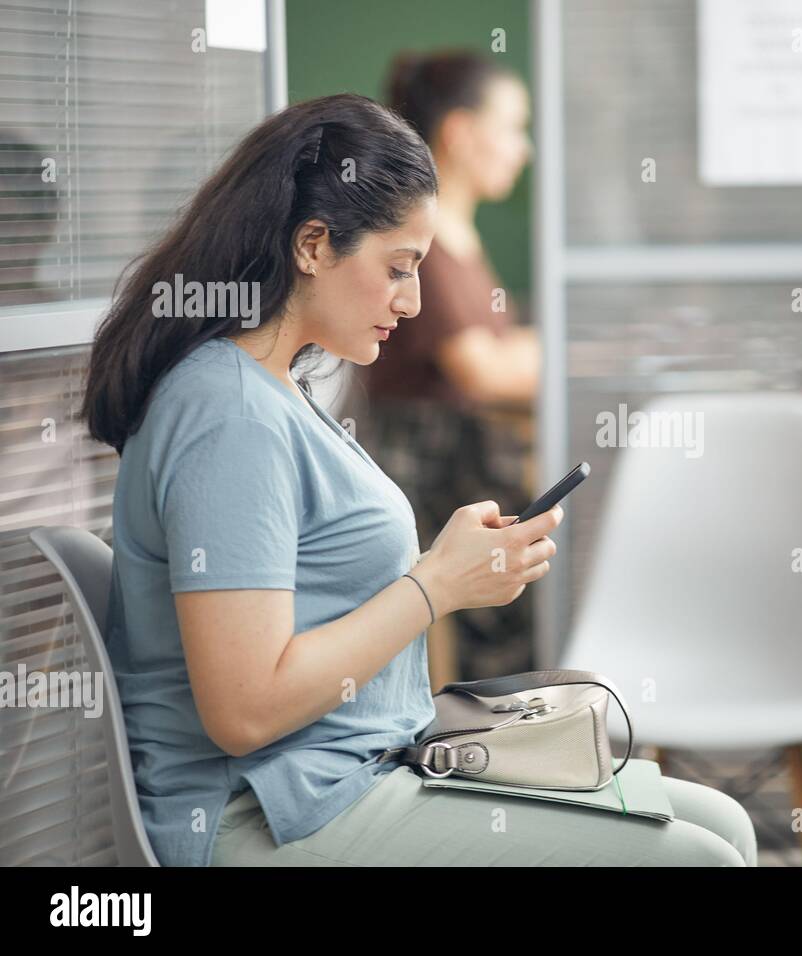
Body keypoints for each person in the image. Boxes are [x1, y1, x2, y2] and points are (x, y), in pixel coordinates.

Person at [80, 92, 757, 867]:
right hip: (269, 815)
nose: (413, 300)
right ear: (311, 245)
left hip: (347, 775)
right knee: (701, 857)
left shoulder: (273, 390)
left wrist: (453, 572)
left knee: (723, 825)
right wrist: (436, 586)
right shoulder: (228, 415)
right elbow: (244, 709)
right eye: (397, 268)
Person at [358, 50, 541, 683]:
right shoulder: (427, 244)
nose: (525, 150)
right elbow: (481, 369)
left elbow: (505, 349)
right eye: (514, 128)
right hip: (434, 477)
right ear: (461, 134)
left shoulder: (459, 237)